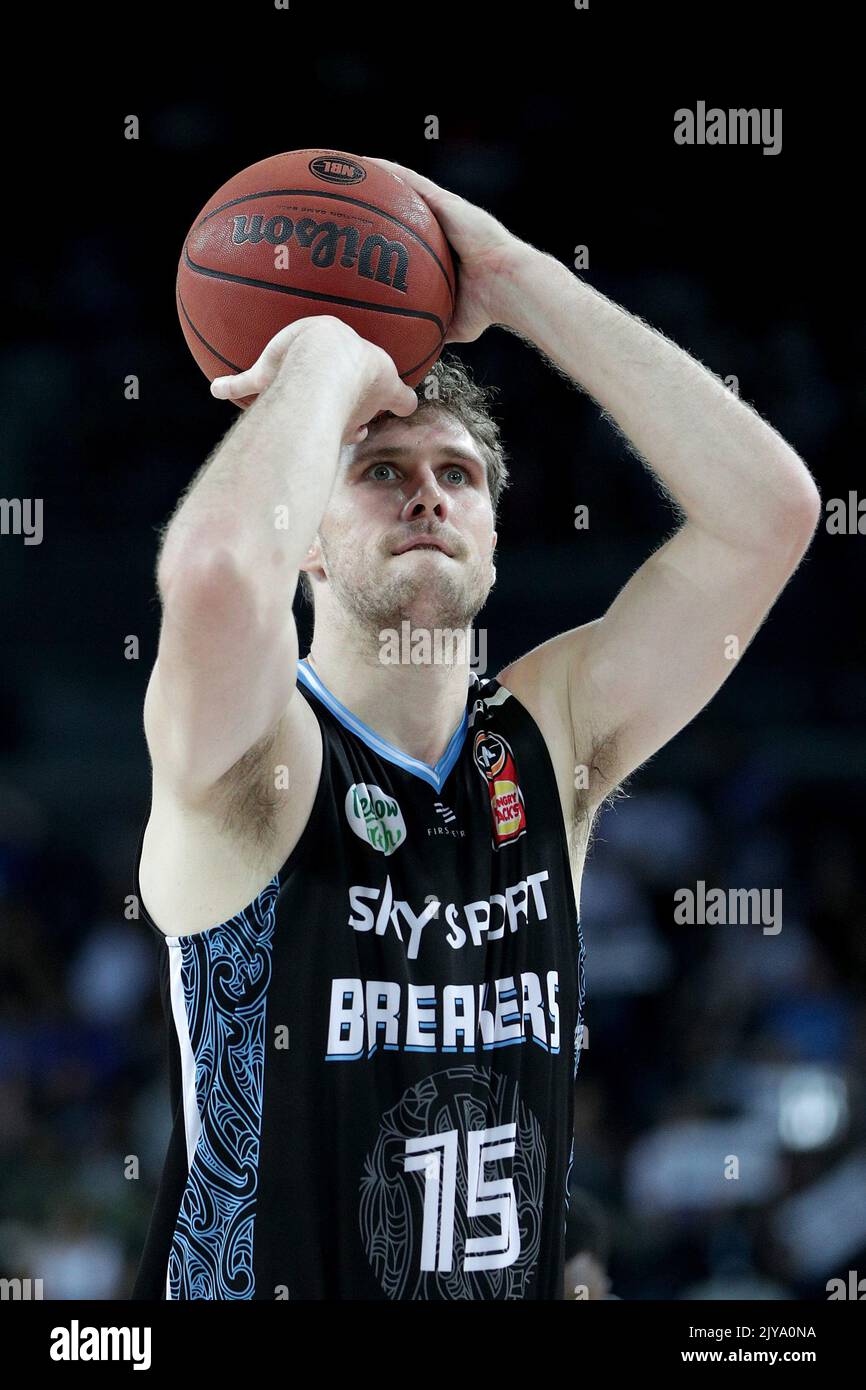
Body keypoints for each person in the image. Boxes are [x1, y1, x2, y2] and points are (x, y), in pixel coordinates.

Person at [130, 157, 820, 1301]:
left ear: (494, 537)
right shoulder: (264, 758)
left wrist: (518, 278)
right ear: (302, 531)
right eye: (380, 469)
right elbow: (212, 574)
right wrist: (324, 363)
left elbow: (770, 516)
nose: (428, 494)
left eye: (457, 473)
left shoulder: (547, 741)